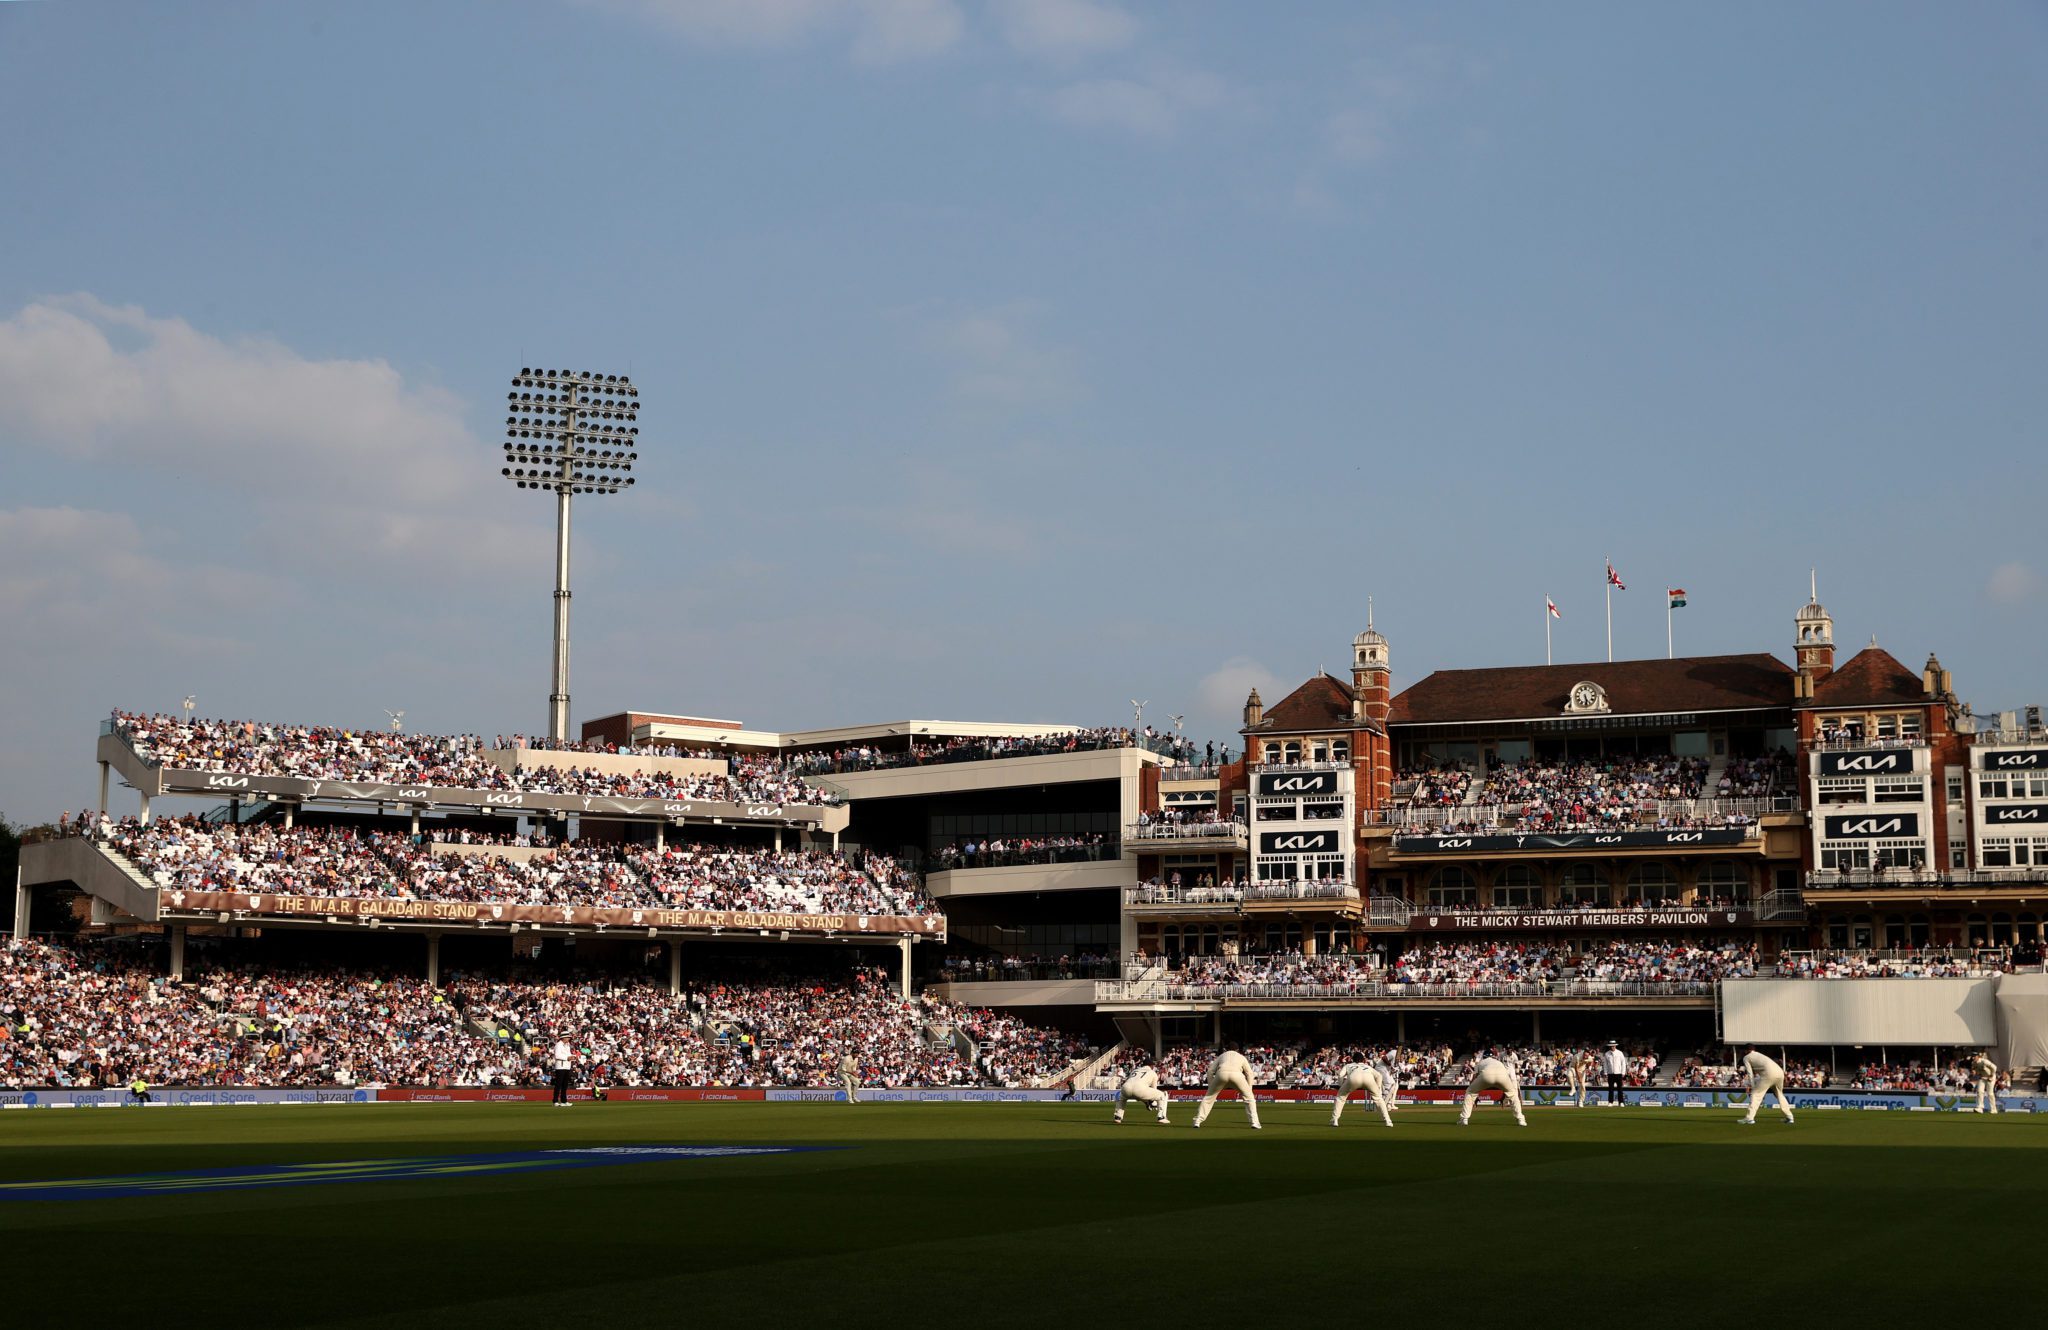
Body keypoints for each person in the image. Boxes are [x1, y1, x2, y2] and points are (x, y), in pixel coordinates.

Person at [1192, 1049, 1262, 1130]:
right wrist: (1249, 1090)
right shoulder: (1241, 1057)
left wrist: (1211, 1086)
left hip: (1221, 1074)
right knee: (1250, 1099)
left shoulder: (1222, 1056)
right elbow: (1249, 1073)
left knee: (1208, 1098)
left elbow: (1210, 1071)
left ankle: (1197, 1121)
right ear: (1237, 1050)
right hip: (1237, 1076)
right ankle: (1255, 1123)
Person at [1460, 1055, 1527, 1127]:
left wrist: (1474, 1092)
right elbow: (1506, 1079)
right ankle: (1521, 1120)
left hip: (1486, 1075)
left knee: (1470, 1092)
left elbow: (1474, 1077)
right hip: (1502, 1076)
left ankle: (1464, 1119)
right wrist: (1505, 1095)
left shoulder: (1480, 1062)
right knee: (1513, 1094)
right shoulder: (1499, 1062)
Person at [1737, 1047, 1795, 1125]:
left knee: (1755, 1095)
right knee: (1780, 1094)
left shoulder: (1746, 1057)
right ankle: (1789, 1117)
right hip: (1780, 1072)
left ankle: (1749, 1118)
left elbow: (1750, 1073)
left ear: (1746, 1050)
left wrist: (1753, 1087)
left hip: (1769, 1074)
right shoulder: (1760, 1055)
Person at [1329, 1062, 1393, 1128]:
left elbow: (1340, 1075)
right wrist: (1378, 1088)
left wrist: (1341, 1085)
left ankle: (1334, 1120)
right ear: (1362, 1060)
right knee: (1378, 1099)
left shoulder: (1348, 1065)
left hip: (1354, 1078)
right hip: (1368, 1079)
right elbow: (1379, 1075)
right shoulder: (1367, 1066)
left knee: (1340, 1097)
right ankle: (1388, 1121)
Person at [1600, 1040, 1628, 1104]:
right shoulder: (1607, 1054)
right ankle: (1610, 1102)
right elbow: (1605, 1064)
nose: (1612, 1047)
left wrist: (1623, 1072)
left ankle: (1621, 1102)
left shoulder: (1620, 1053)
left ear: (1615, 1046)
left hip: (1618, 1073)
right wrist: (1605, 1073)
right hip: (1610, 1074)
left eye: (1613, 1046)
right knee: (1610, 1089)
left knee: (1620, 1089)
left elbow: (1623, 1063)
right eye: (1611, 1046)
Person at [550, 1035, 574, 1107]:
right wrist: (567, 1058)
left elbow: (568, 1054)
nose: (569, 1039)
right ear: (563, 1037)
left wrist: (573, 1057)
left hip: (567, 1066)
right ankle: (555, 1101)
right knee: (558, 1084)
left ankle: (564, 1101)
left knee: (565, 1085)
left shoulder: (567, 1045)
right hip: (560, 1066)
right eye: (568, 1037)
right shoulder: (558, 1045)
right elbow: (557, 1056)